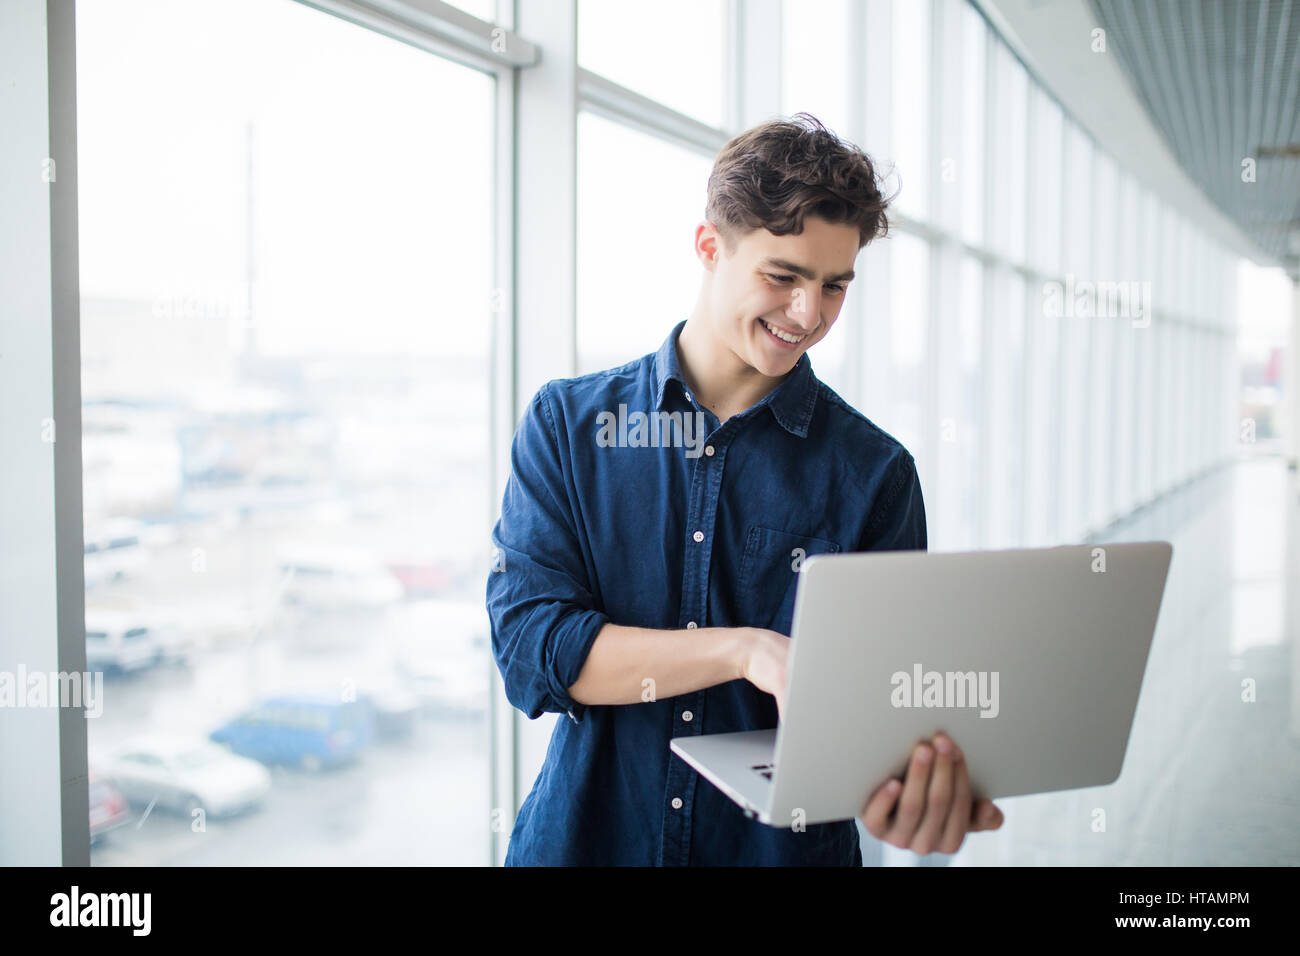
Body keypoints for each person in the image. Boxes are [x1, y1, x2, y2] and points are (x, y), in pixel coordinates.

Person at [486, 112, 1004, 865]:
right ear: (709, 247)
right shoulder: (569, 426)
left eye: (834, 287)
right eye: (783, 277)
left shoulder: (874, 474)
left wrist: (910, 792)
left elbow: (887, 712)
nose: (808, 316)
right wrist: (747, 652)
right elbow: (534, 653)